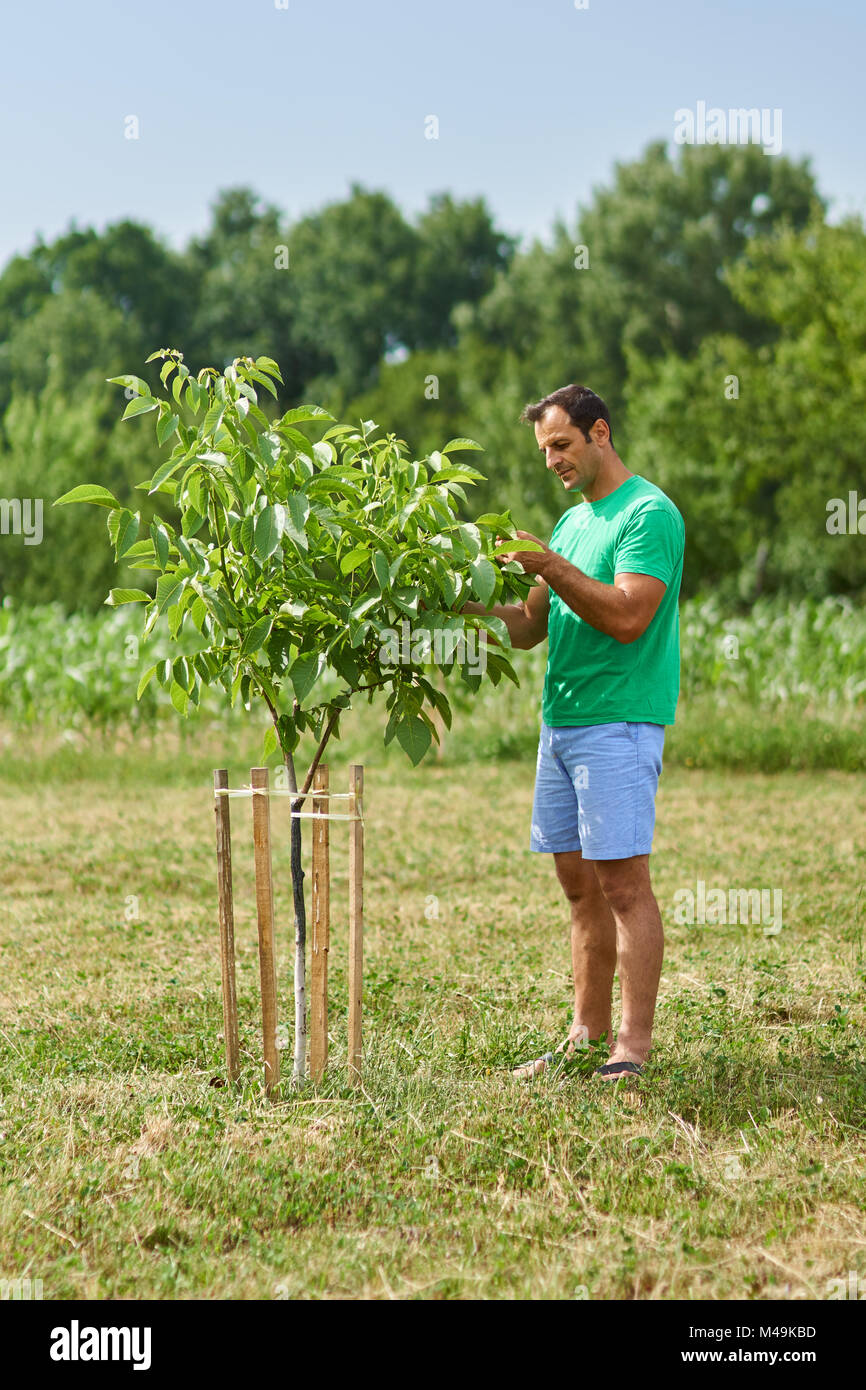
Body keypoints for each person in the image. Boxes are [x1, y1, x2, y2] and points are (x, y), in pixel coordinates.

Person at [465, 384, 685, 1083]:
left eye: (562, 445)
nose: (552, 461)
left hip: (616, 724)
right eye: (543, 451)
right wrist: (455, 600)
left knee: (623, 885)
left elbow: (627, 617)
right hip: (560, 725)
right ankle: (583, 1039)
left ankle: (632, 1049)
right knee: (577, 887)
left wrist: (550, 565)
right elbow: (531, 628)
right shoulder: (569, 525)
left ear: (600, 432)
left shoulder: (647, 513)